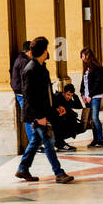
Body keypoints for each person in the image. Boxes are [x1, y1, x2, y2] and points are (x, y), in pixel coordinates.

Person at [17, 37, 74, 183]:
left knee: (36, 140)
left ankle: (23, 168)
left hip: (44, 111)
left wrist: (56, 106)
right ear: (43, 51)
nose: (48, 51)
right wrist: (38, 117)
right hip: (38, 115)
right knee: (49, 141)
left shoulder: (42, 68)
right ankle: (59, 173)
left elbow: (46, 92)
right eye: (47, 49)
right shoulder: (31, 70)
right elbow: (29, 96)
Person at [79, 46, 103, 147]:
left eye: (82, 56)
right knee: (91, 119)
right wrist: (82, 94)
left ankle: (100, 139)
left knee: (95, 117)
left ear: (87, 55)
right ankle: (95, 139)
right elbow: (83, 82)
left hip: (95, 96)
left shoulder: (97, 67)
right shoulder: (86, 68)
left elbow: (98, 83)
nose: (81, 58)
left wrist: (90, 95)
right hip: (87, 97)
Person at [10, 41, 31, 117]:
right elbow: (25, 78)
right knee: (28, 117)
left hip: (21, 91)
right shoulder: (24, 61)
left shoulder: (22, 59)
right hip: (22, 93)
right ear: (30, 51)